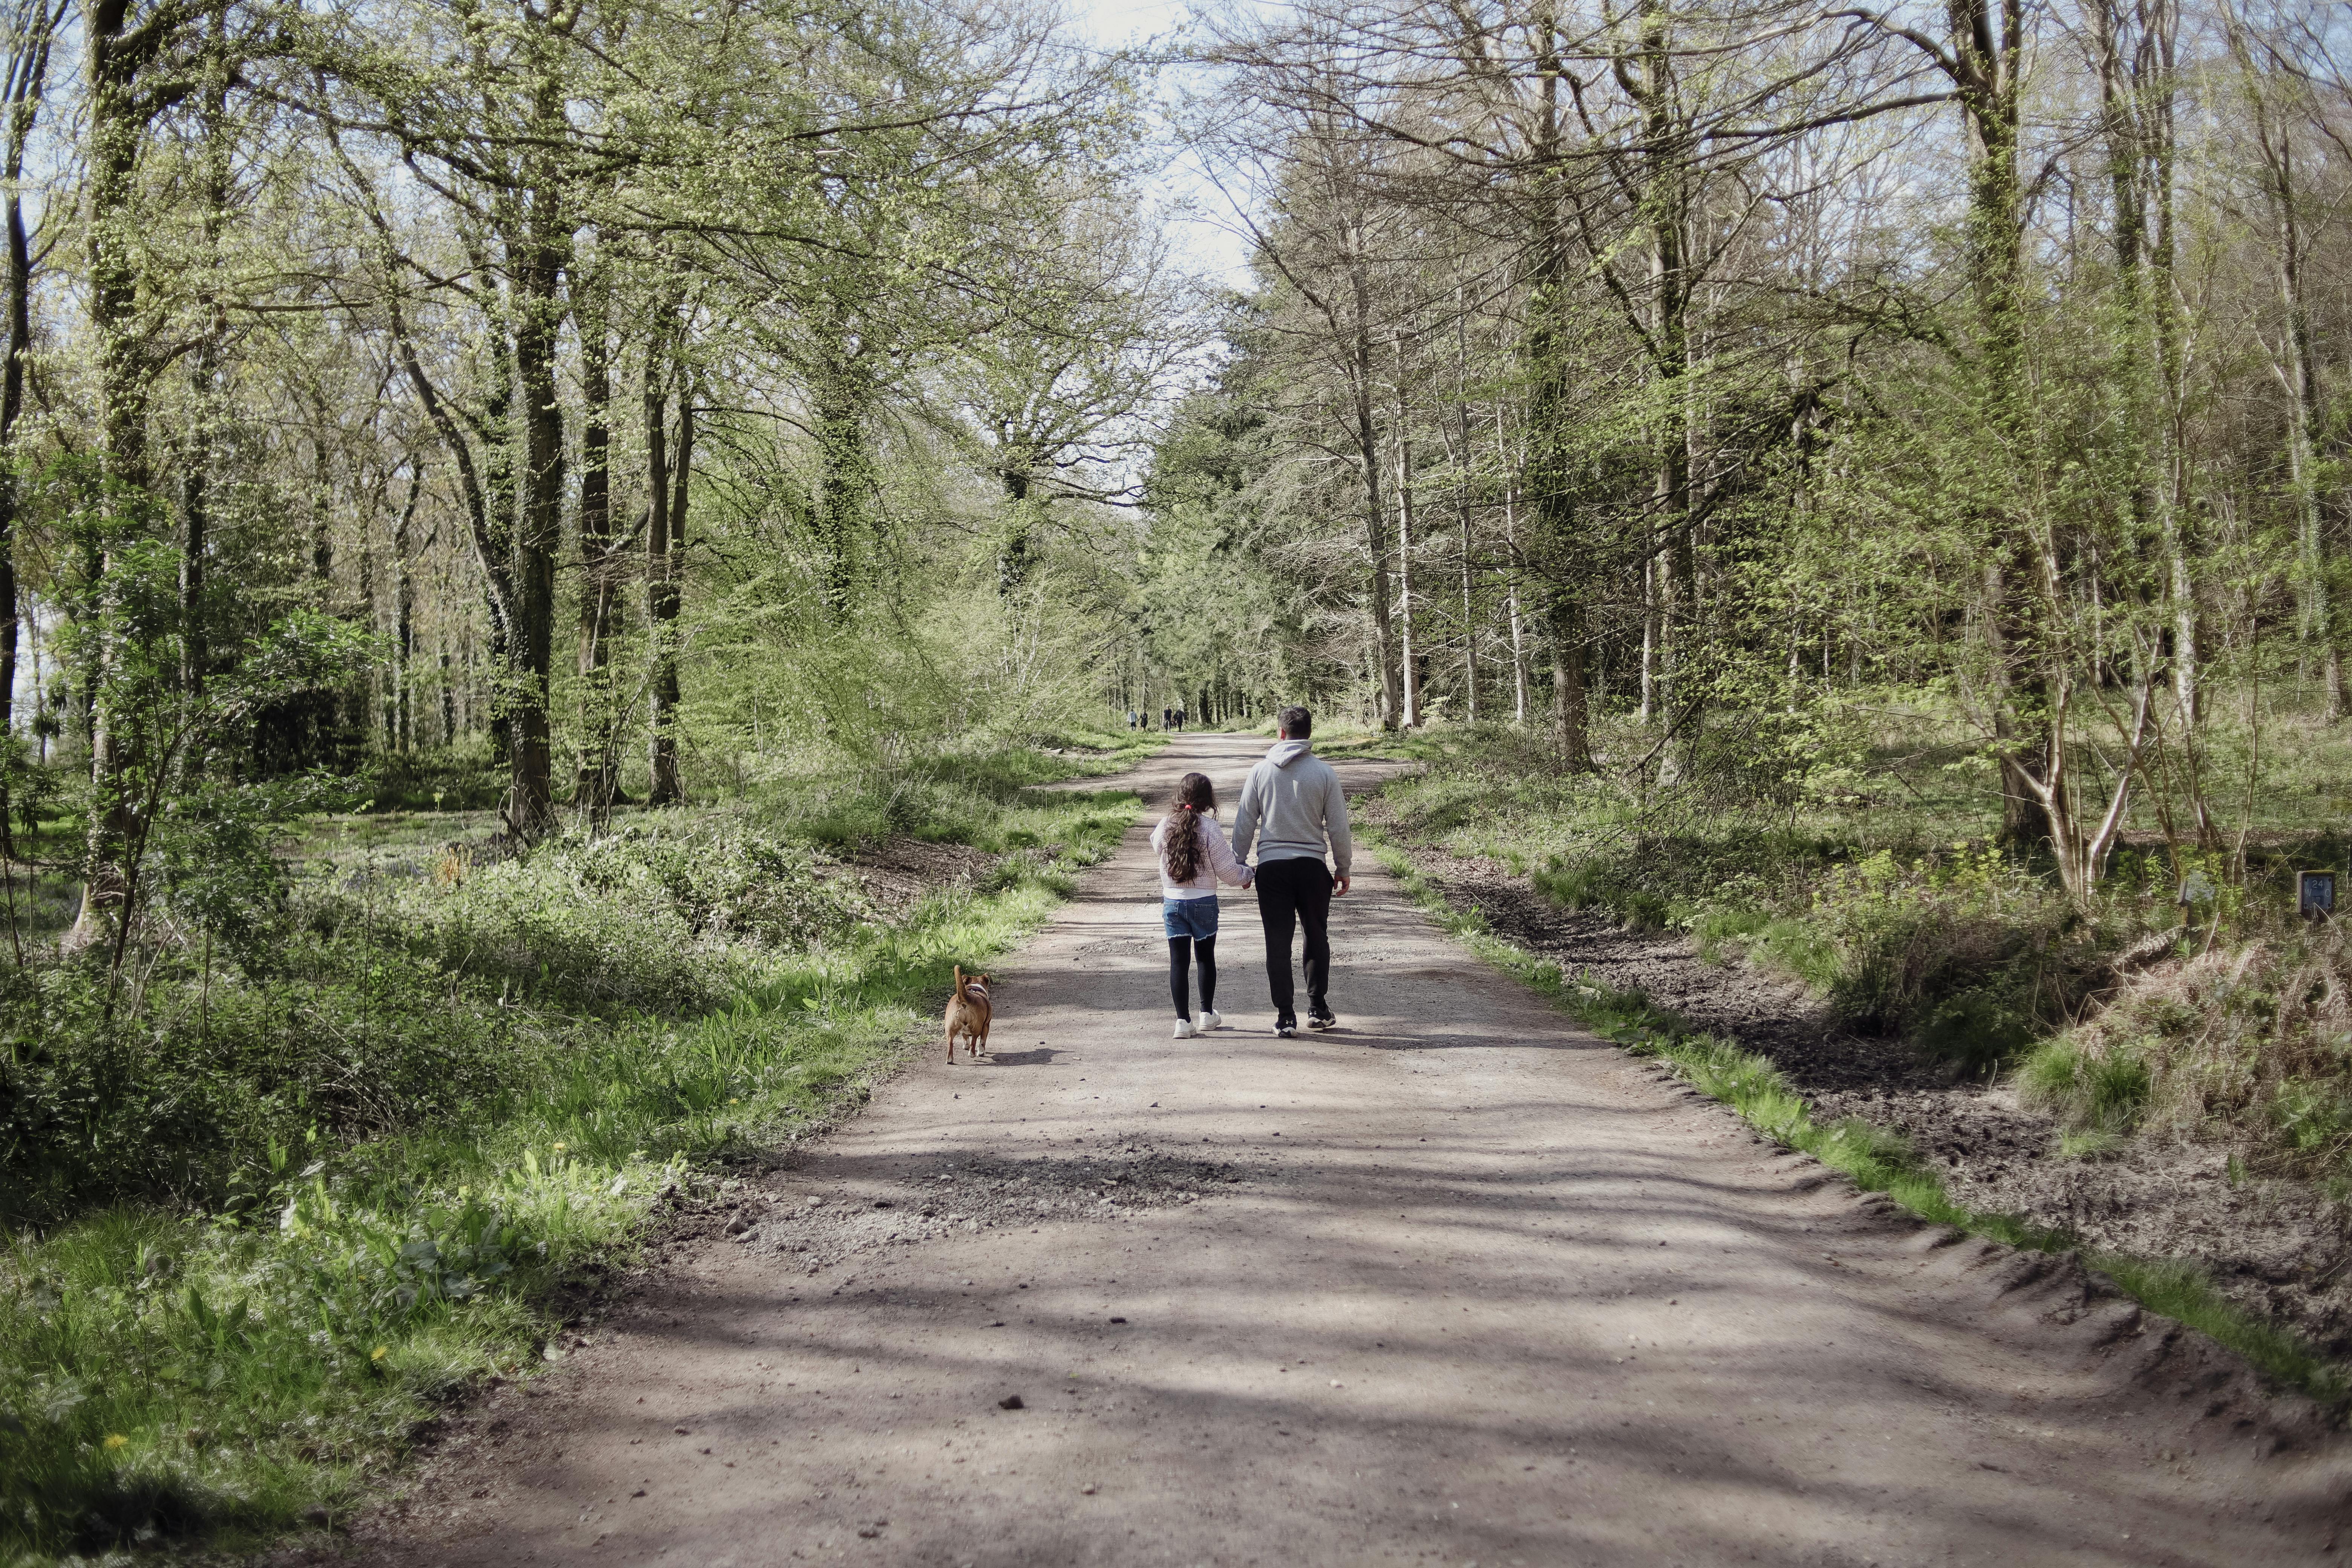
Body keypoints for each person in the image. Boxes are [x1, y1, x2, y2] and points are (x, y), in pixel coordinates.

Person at [1231, 705, 1351, 1038]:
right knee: (1316, 935)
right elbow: (1339, 826)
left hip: (1272, 869)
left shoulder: (1260, 772)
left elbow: (1245, 822)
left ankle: (1285, 1017)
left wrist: (1238, 864)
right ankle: (1318, 1008)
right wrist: (1343, 867)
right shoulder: (1325, 773)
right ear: (1309, 735)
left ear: (1281, 733)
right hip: (1313, 869)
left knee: (1278, 942)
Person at [1152, 771, 1253, 1039]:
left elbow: (1156, 847)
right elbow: (1227, 870)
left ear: (1180, 797)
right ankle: (1207, 1015)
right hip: (1204, 903)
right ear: (1208, 802)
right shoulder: (1209, 828)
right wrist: (1247, 876)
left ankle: (1182, 1022)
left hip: (1173, 902)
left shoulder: (1164, 825)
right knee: (1205, 958)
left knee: (1179, 962)